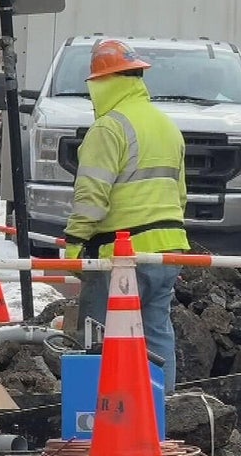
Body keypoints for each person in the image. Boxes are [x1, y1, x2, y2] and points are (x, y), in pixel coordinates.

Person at [63, 40, 189, 395]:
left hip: (120, 257)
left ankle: (95, 410)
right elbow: (180, 196)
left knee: (96, 331)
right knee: (156, 332)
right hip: (167, 251)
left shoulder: (109, 128)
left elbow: (91, 197)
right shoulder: (165, 126)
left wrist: (74, 245)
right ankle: (159, 408)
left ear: (103, 83)